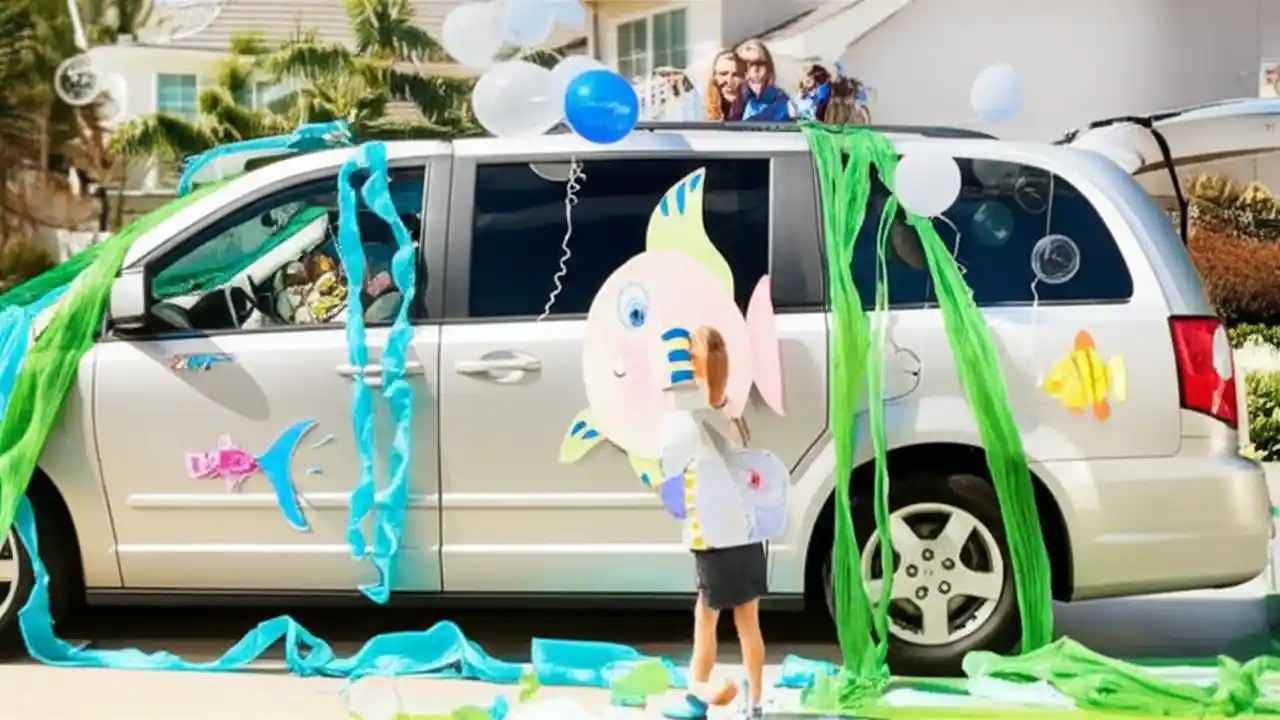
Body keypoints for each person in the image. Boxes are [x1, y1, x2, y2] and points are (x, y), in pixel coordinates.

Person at [658, 326, 768, 720]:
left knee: (705, 619)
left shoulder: (690, 419)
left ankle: (696, 697)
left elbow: (669, 466)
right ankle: (755, 703)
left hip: (713, 537)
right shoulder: (733, 414)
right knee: (748, 622)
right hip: (748, 533)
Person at [735, 39, 790, 122]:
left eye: (759, 63)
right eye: (745, 64)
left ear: (769, 68)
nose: (754, 70)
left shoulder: (780, 99)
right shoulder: (730, 99)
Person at [704, 49, 746, 121]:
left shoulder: (755, 110)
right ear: (714, 77)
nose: (729, 81)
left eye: (736, 75)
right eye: (723, 74)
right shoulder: (700, 109)